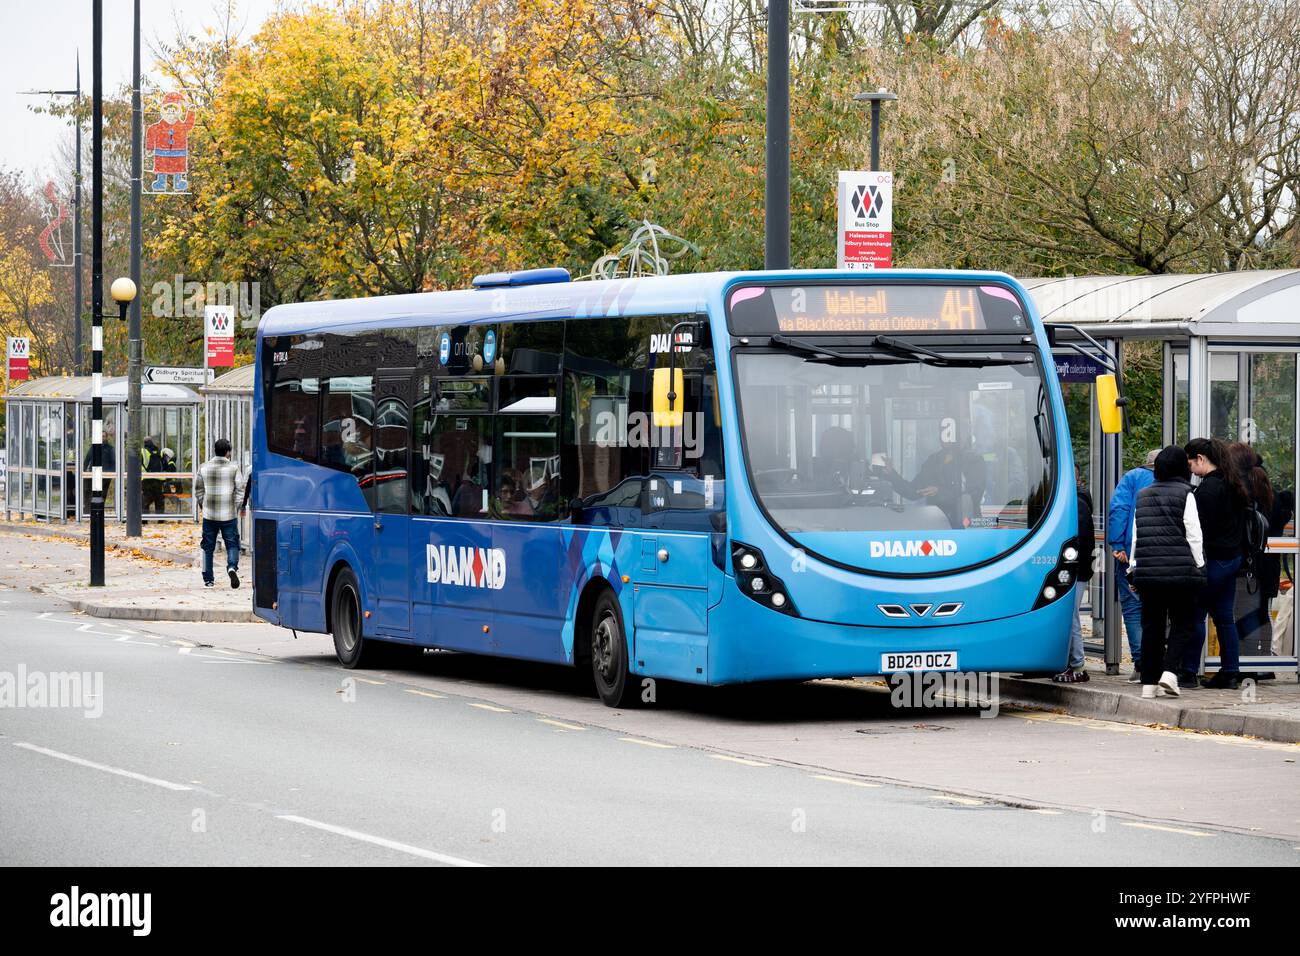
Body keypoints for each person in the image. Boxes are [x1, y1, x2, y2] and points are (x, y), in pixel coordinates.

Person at [1128, 445, 1205, 698]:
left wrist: (1133, 567)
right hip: (1181, 572)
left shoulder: (1143, 495)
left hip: (1149, 573)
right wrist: (1200, 565)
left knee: (1152, 627)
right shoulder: (1187, 493)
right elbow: (1193, 535)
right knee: (1183, 623)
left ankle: (1149, 685)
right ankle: (1170, 672)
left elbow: (1136, 538)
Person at [1184, 437, 1248, 689]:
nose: (1189, 469)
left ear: (1200, 459)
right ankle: (1230, 672)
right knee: (1224, 618)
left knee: (1195, 615)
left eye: (1190, 463)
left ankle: (1188, 671)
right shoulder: (1233, 483)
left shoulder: (1207, 490)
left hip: (1213, 561)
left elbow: (1199, 532)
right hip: (1232, 560)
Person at [1107, 449, 1159, 681]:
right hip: (1164, 556)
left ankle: (1141, 665)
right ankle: (1162, 663)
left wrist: (1118, 544)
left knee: (1132, 608)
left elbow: (1119, 509)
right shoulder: (1179, 482)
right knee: (1160, 610)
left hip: (1131, 555)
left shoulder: (1132, 477)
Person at [880, 436, 986, 530]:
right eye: (944, 432)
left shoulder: (974, 460)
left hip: (968, 529)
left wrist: (939, 492)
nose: (948, 437)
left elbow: (973, 496)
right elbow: (912, 491)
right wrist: (891, 474)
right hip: (937, 528)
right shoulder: (934, 461)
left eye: (952, 432)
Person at [1053, 466, 1096, 683]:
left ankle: (1077, 664)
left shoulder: (1076, 504)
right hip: (1073, 570)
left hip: (1074, 571)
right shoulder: (1075, 502)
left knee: (1071, 617)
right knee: (1070, 616)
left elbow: (1084, 542)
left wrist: (1080, 569)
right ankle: (1071, 662)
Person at [195, 438, 248, 589]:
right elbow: (240, 490)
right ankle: (231, 567)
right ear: (227, 452)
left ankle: (208, 579)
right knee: (232, 544)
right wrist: (236, 507)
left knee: (207, 546)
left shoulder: (203, 467)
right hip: (228, 515)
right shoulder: (233, 468)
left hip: (209, 515)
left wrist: (203, 504)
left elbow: (198, 490)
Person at [141, 436, 166, 514]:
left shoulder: (142, 451)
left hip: (147, 479)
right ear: (152, 442)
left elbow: (138, 465)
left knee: (146, 499)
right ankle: (160, 519)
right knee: (159, 499)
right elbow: (164, 465)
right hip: (159, 479)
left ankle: (144, 519)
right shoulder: (160, 451)